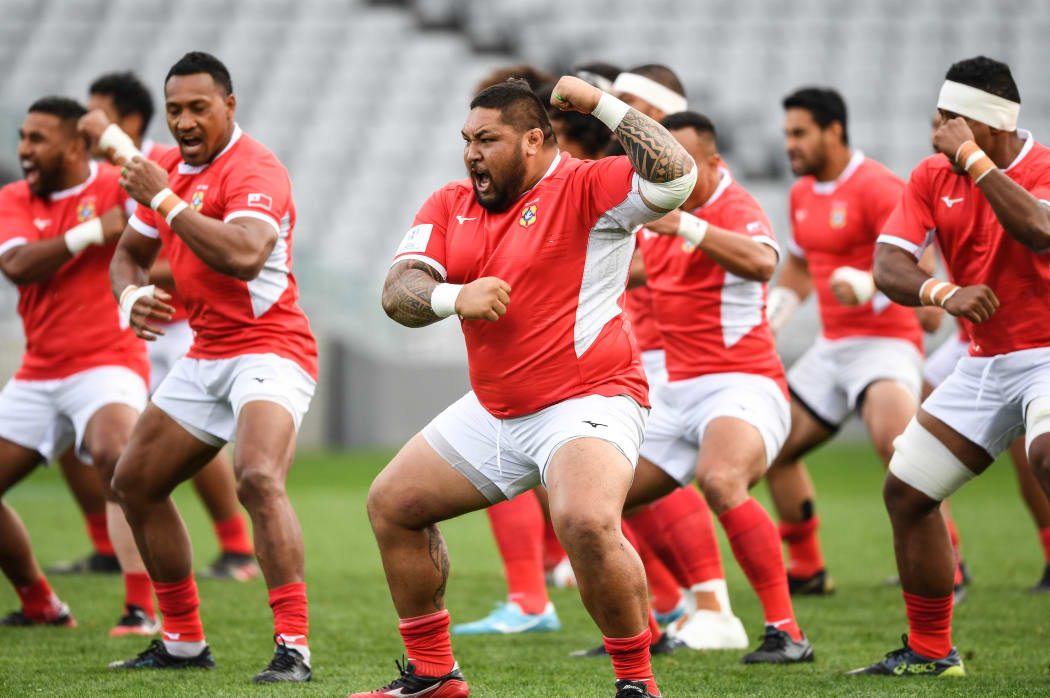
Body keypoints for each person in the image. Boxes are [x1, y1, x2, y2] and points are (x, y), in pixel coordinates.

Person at [351, 76, 697, 698]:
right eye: (467, 140)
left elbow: (677, 176)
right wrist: (455, 296)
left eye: (487, 140)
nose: (471, 154)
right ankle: (433, 676)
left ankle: (637, 685)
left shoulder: (587, 185)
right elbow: (398, 292)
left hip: (588, 399)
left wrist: (597, 103)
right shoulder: (450, 202)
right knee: (393, 504)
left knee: (585, 520)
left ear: (534, 139)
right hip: (497, 409)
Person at [102, 52, 318, 683]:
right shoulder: (168, 172)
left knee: (257, 476)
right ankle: (183, 642)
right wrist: (129, 295)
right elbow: (127, 255)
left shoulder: (255, 168)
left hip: (272, 347)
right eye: (175, 110)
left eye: (199, 107)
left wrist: (166, 200)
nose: (185, 121)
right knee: (134, 483)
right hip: (207, 351)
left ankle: (294, 648)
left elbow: (245, 254)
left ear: (229, 105)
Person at [851, 55, 1050, 677]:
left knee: (1048, 457)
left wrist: (973, 159)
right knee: (907, 493)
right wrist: (942, 292)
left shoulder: (1041, 167)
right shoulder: (931, 175)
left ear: (989, 123)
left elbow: (1039, 229)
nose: (937, 130)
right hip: (986, 360)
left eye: (949, 118)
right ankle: (931, 652)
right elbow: (888, 264)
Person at [618, 110, 812, 663]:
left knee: (722, 479)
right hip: (677, 389)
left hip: (743, 384)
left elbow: (762, 261)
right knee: (595, 498)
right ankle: (649, 627)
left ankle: (787, 632)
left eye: (679, 164)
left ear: (712, 161)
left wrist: (688, 227)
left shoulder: (733, 206)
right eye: (659, 165)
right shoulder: (658, 210)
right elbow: (632, 271)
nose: (668, 174)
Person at [52, 71, 258, 582]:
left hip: (182, 324)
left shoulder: (168, 164)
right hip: (131, 319)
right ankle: (107, 546)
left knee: (191, 432)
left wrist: (134, 273)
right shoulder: (103, 174)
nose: (87, 124)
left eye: (98, 114)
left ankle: (236, 547)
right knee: (81, 429)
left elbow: (202, 247)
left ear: (128, 121)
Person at [764, 87, 953, 596]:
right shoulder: (802, 193)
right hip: (832, 347)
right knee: (771, 447)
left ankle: (950, 564)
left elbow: (921, 264)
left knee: (902, 454)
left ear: (834, 131)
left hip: (886, 344)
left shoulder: (877, 186)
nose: (790, 144)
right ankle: (807, 569)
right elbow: (799, 265)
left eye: (800, 133)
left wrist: (869, 284)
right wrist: (772, 318)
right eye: (787, 134)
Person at [0, 96, 153, 634]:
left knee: (117, 456)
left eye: (36, 139)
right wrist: (92, 232)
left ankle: (141, 608)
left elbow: (162, 201)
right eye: (23, 137)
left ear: (73, 147)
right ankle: (40, 603)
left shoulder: (112, 185)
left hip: (107, 361)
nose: (24, 149)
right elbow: (16, 263)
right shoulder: (13, 197)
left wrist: (115, 140)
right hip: (38, 370)